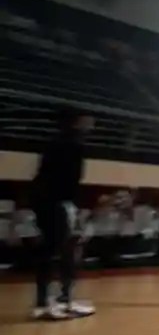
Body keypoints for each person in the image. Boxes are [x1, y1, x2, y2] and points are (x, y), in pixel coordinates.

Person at [29, 108, 96, 321]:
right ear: (76, 122)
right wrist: (70, 206)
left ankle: (63, 300)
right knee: (53, 251)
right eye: (87, 120)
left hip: (55, 203)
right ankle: (45, 304)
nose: (91, 124)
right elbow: (66, 180)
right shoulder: (69, 145)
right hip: (56, 203)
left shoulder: (61, 144)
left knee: (67, 250)